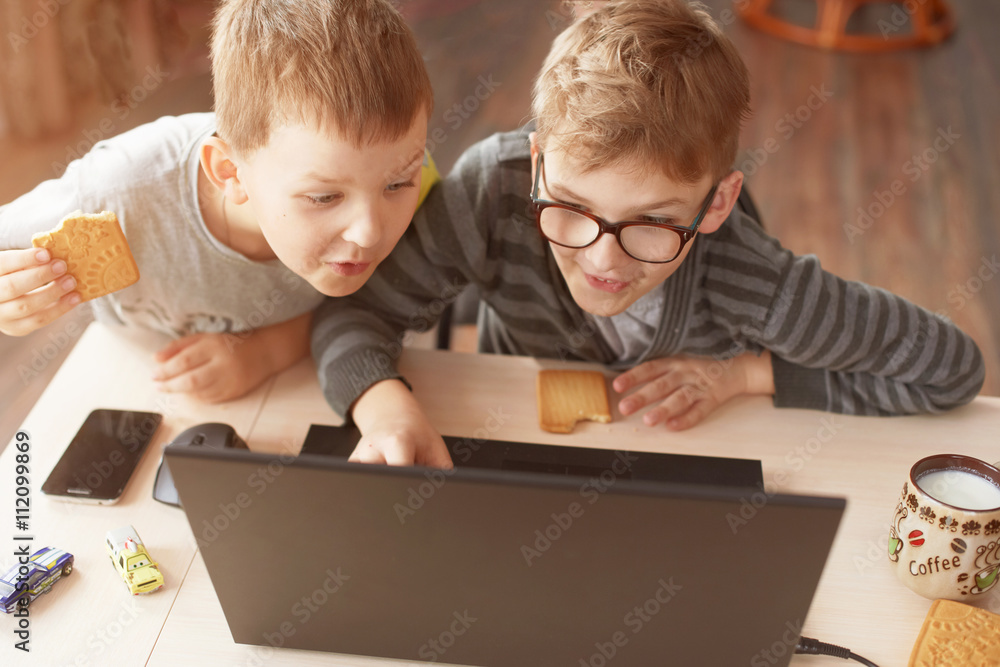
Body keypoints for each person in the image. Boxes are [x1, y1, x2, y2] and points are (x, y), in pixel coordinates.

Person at [310, 0, 985, 467]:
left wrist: (748, 375)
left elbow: (952, 372)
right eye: (571, 205)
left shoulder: (750, 280)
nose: (602, 258)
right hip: (515, 452)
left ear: (716, 205)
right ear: (538, 163)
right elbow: (353, 313)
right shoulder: (496, 186)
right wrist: (383, 411)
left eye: (656, 222)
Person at [0, 0, 437, 403]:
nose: (370, 231)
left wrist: (267, 352)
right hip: (138, 389)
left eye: (398, 184)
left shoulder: (408, 180)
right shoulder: (113, 196)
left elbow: (383, 302)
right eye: (324, 197)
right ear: (230, 173)